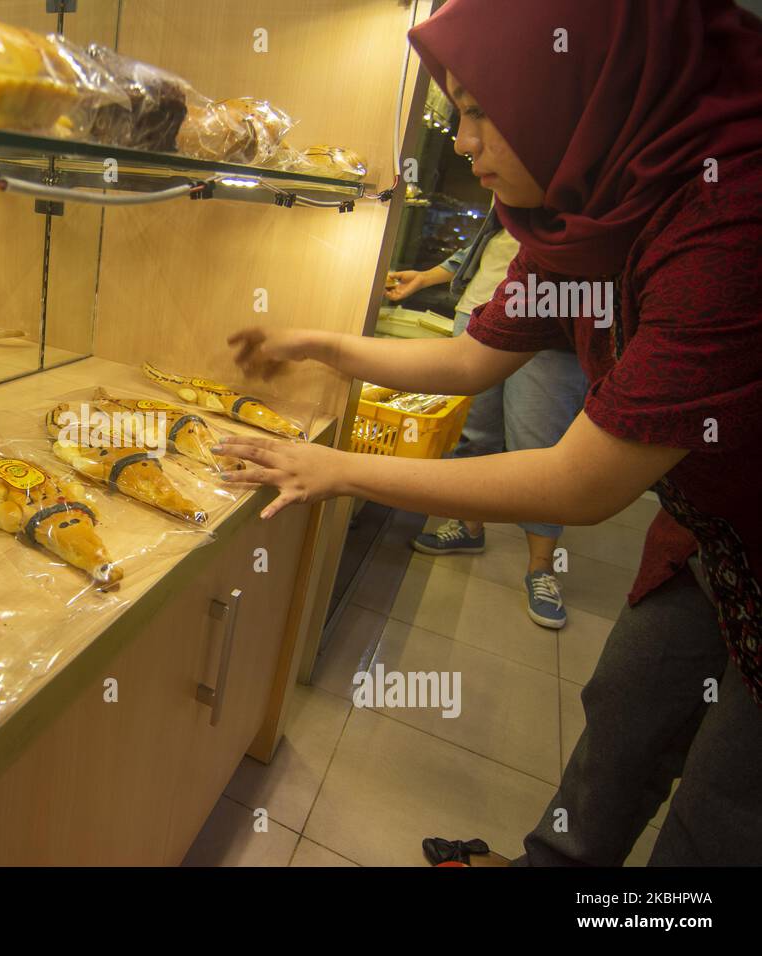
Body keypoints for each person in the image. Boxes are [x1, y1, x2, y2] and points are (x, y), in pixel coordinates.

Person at [222, 0, 762, 864]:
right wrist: (320, 344)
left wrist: (339, 469)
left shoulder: (729, 219)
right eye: (454, 112)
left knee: (725, 812)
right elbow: (473, 359)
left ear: (573, 83)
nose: (463, 142)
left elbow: (579, 484)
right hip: (710, 535)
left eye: (478, 110)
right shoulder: (585, 202)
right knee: (626, 708)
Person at [387, 208, 588, 629]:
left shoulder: (580, 189)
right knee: (473, 434)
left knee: (541, 451)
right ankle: (467, 526)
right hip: (478, 314)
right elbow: (485, 243)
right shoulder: (510, 195)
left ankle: (542, 569)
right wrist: (426, 277)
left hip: (550, 328)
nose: (466, 145)